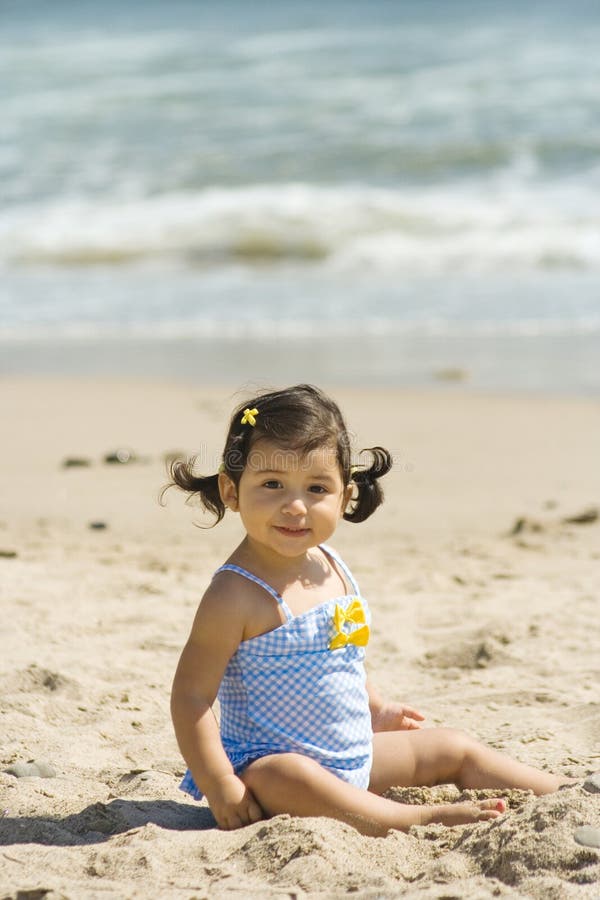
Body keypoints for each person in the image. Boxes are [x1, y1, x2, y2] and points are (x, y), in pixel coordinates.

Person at [166, 384, 573, 837]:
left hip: (353, 753)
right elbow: (191, 698)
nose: (296, 505)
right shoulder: (234, 594)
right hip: (269, 772)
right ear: (232, 490)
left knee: (454, 747)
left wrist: (375, 708)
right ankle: (413, 818)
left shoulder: (331, 566)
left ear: (344, 498)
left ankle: (564, 789)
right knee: (288, 776)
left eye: (317, 488)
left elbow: (342, 652)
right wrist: (220, 783)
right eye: (272, 484)